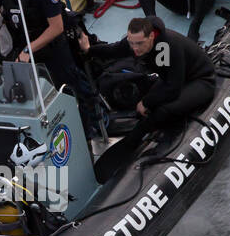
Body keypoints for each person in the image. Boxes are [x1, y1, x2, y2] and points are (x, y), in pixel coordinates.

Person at [83, 16, 216, 175]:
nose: (135, 49)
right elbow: (115, 50)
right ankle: (136, 138)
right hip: (174, 79)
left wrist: (146, 102)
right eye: (131, 43)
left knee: (163, 110)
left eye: (139, 44)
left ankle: (135, 139)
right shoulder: (134, 42)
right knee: (147, 102)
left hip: (200, 80)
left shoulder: (167, 47)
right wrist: (89, 50)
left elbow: (173, 88)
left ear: (151, 36)